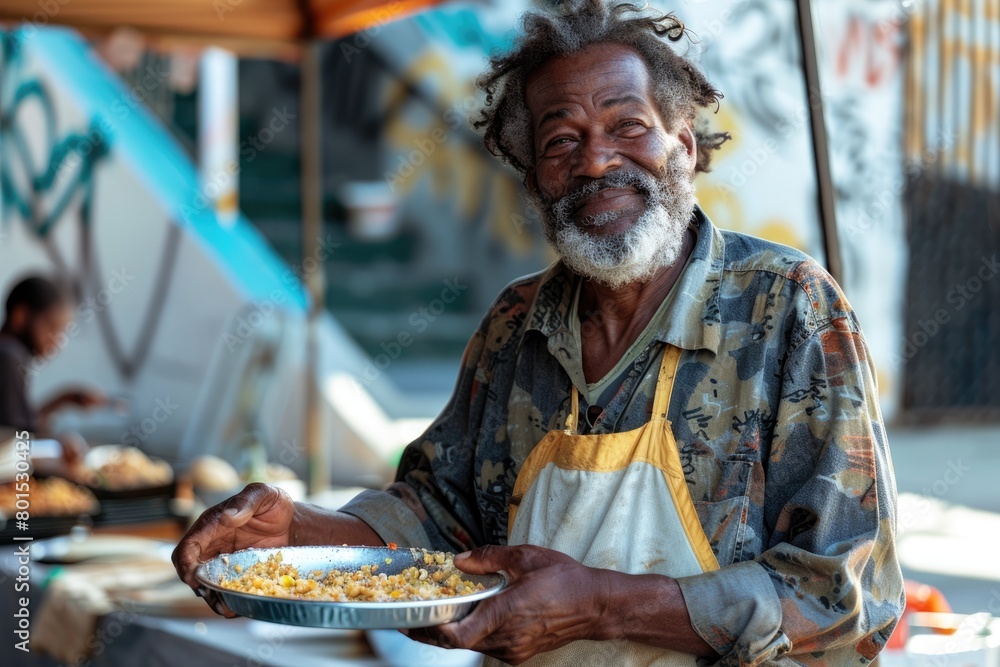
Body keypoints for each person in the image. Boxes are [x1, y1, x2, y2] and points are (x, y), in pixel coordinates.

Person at [173, 2, 904, 664]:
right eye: (561, 142)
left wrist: (599, 602)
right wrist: (299, 530)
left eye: (628, 126)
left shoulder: (788, 307)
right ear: (534, 180)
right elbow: (439, 517)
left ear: (683, 144)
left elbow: (845, 600)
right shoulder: (514, 328)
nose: (595, 160)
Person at [0, 275, 106, 468]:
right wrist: (58, 443)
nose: (57, 340)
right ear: (21, 315)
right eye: (52, 327)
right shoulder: (9, 356)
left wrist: (64, 399)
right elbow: (13, 440)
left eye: (62, 331)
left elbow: (19, 424)